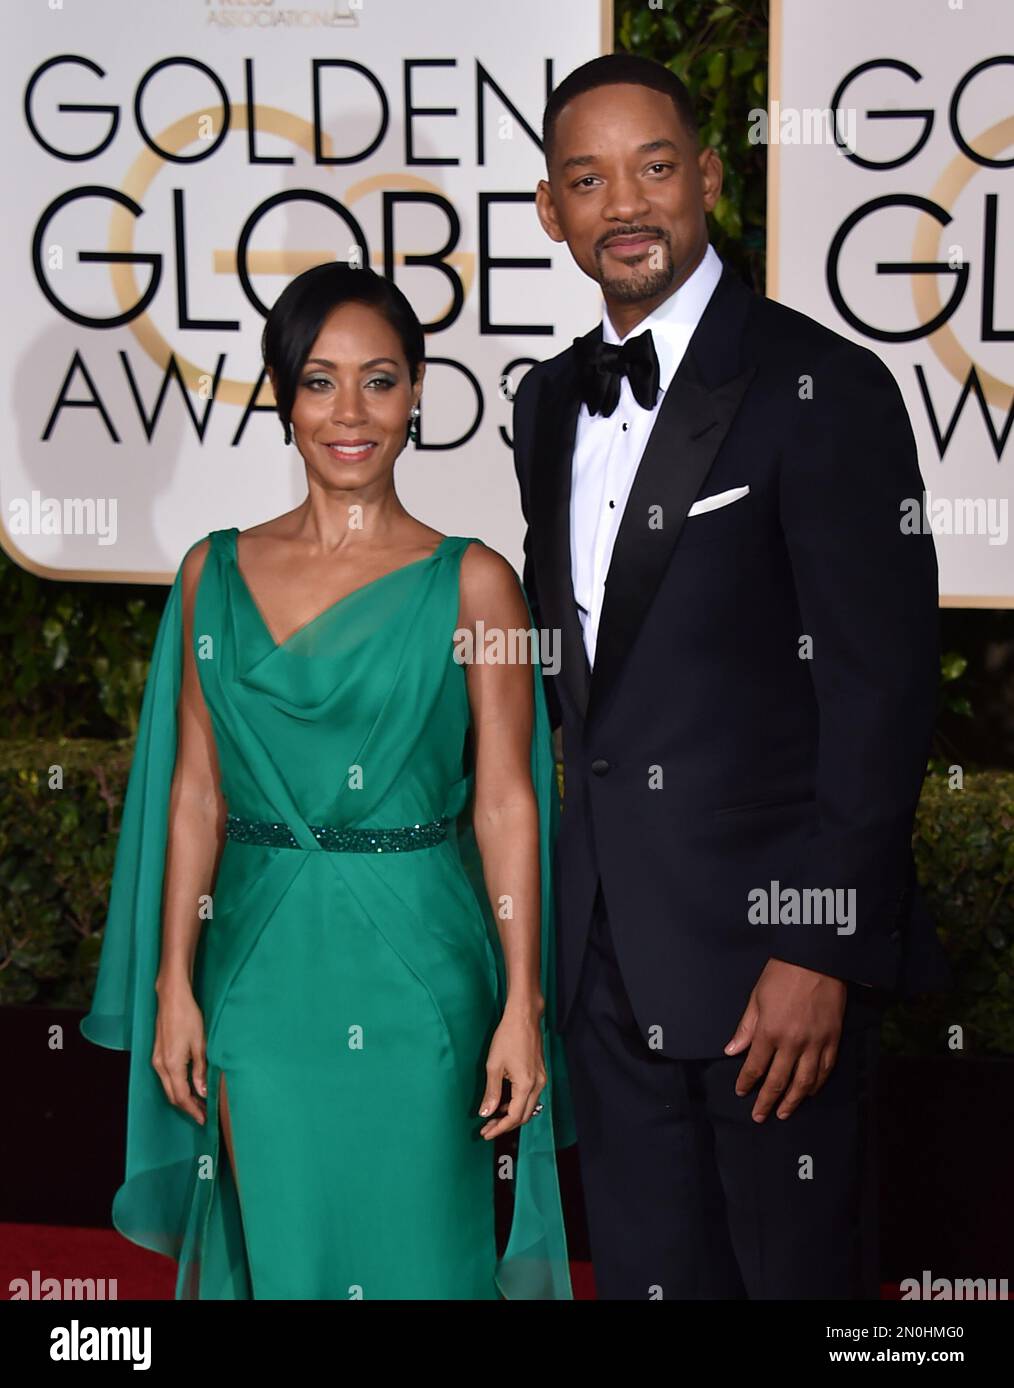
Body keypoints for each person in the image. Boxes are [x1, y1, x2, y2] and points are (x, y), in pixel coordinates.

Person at [511, 51, 951, 1300]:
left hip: (774, 982)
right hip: (605, 972)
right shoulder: (546, 405)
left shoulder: (824, 389)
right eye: (588, 180)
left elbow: (882, 691)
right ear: (552, 211)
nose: (627, 205)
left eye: (655, 167)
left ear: (709, 175)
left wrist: (824, 946)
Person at [81, 262, 574, 1300]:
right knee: (277, 1258)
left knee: (419, 1263)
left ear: (420, 392)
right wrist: (174, 979)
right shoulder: (210, 573)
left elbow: (506, 803)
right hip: (256, 975)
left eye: (381, 380)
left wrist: (523, 1000)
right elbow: (195, 797)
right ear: (279, 396)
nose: (351, 413)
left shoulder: (475, 579)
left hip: (418, 977)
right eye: (319, 381)